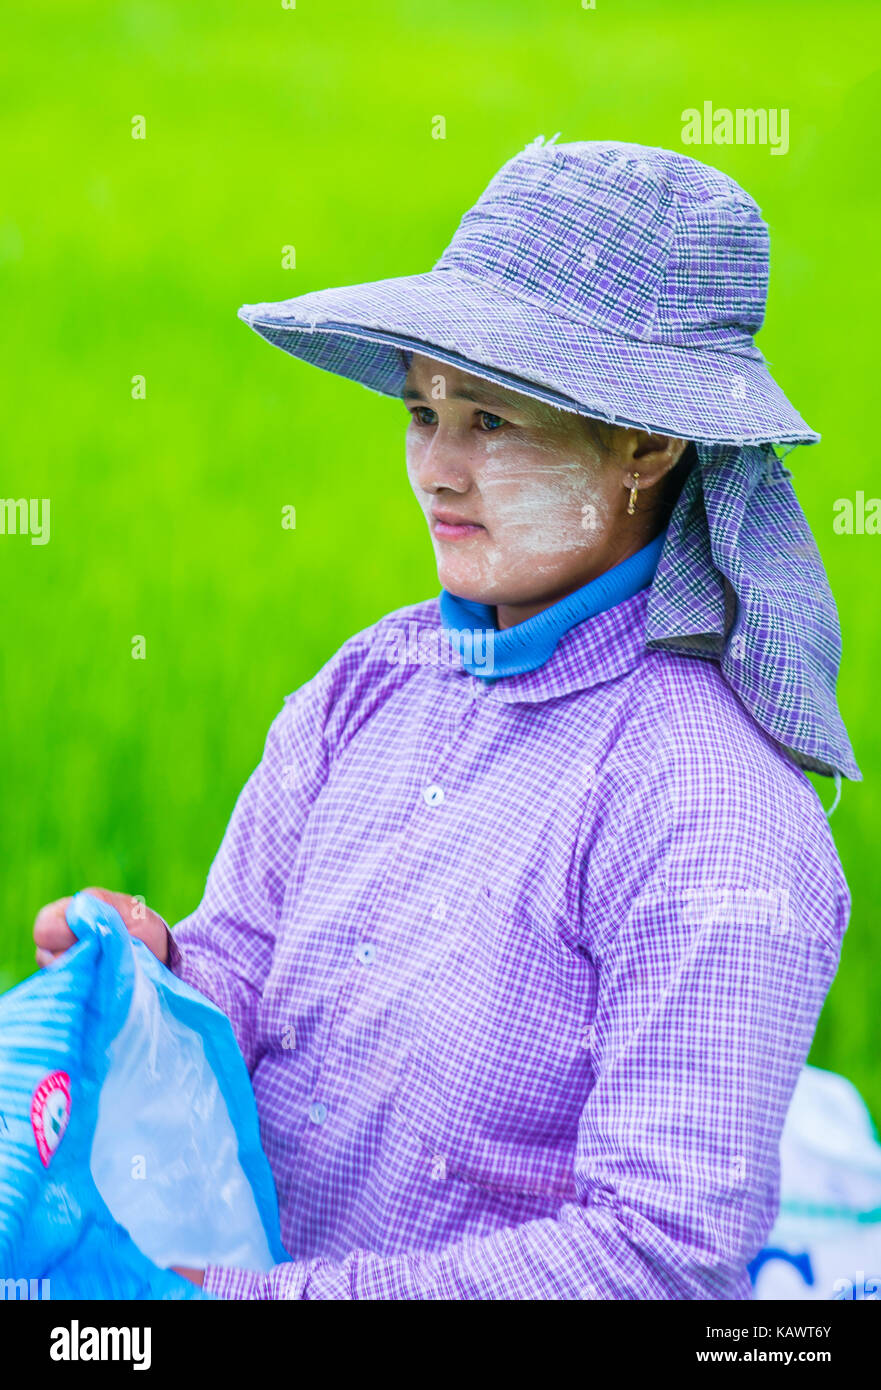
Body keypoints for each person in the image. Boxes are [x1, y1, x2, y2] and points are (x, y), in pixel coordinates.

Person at [33, 137, 860, 1299]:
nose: (437, 470)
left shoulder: (708, 808)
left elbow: (658, 1256)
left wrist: (251, 1300)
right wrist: (155, 972)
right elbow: (247, 975)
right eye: (423, 413)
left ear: (646, 445)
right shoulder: (370, 684)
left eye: (492, 422)